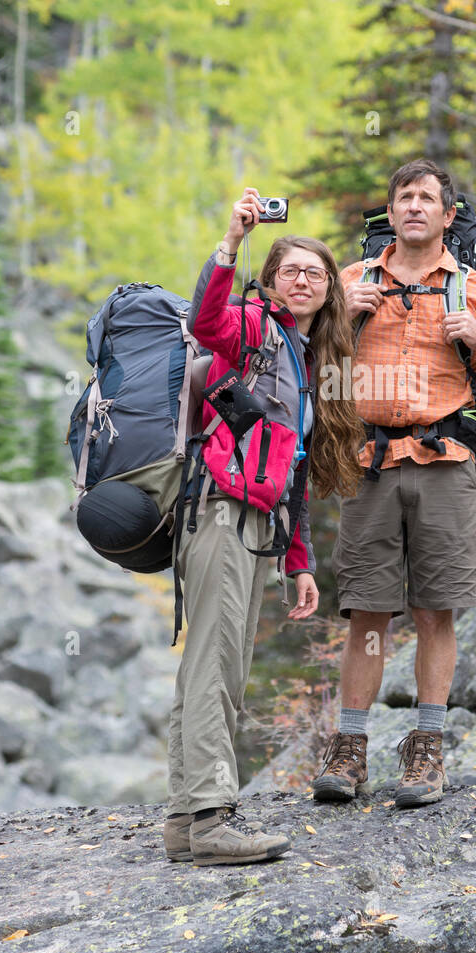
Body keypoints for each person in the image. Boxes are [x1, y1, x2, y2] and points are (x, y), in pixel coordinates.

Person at [313, 159, 476, 808]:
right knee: (367, 611)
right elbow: (303, 367)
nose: (414, 206)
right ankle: (349, 751)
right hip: (367, 463)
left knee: (436, 608)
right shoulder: (349, 282)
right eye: (403, 197)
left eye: (427, 198)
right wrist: (336, 319)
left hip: (444, 463)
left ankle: (426, 749)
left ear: (446, 215)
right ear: (391, 211)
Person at [164, 188, 364, 865]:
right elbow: (205, 318)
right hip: (217, 510)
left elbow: (293, 469)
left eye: (315, 272)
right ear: (271, 282)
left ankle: (183, 822)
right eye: (291, 270)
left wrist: (299, 559)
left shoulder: (305, 362)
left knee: (214, 664)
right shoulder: (251, 326)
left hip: (255, 523)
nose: (303, 280)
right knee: (215, 662)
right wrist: (232, 241)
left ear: (329, 289)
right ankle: (213, 817)